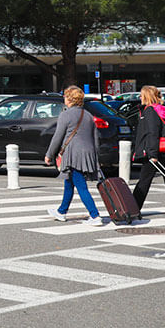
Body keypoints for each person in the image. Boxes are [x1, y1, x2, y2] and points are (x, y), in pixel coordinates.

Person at [43, 85, 106, 226]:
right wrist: (96, 157)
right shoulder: (88, 115)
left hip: (73, 154)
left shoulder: (65, 115)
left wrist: (49, 155)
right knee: (69, 182)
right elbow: (96, 138)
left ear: (70, 99)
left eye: (65, 96)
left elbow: (57, 137)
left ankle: (95, 215)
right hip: (87, 153)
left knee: (81, 186)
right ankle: (61, 211)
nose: (64, 99)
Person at [131, 85, 165, 217]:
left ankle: (132, 209)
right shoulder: (162, 109)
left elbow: (152, 133)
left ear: (146, 96)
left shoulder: (150, 111)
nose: (139, 97)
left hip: (156, 151)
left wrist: (152, 154)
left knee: (144, 181)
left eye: (141, 95)